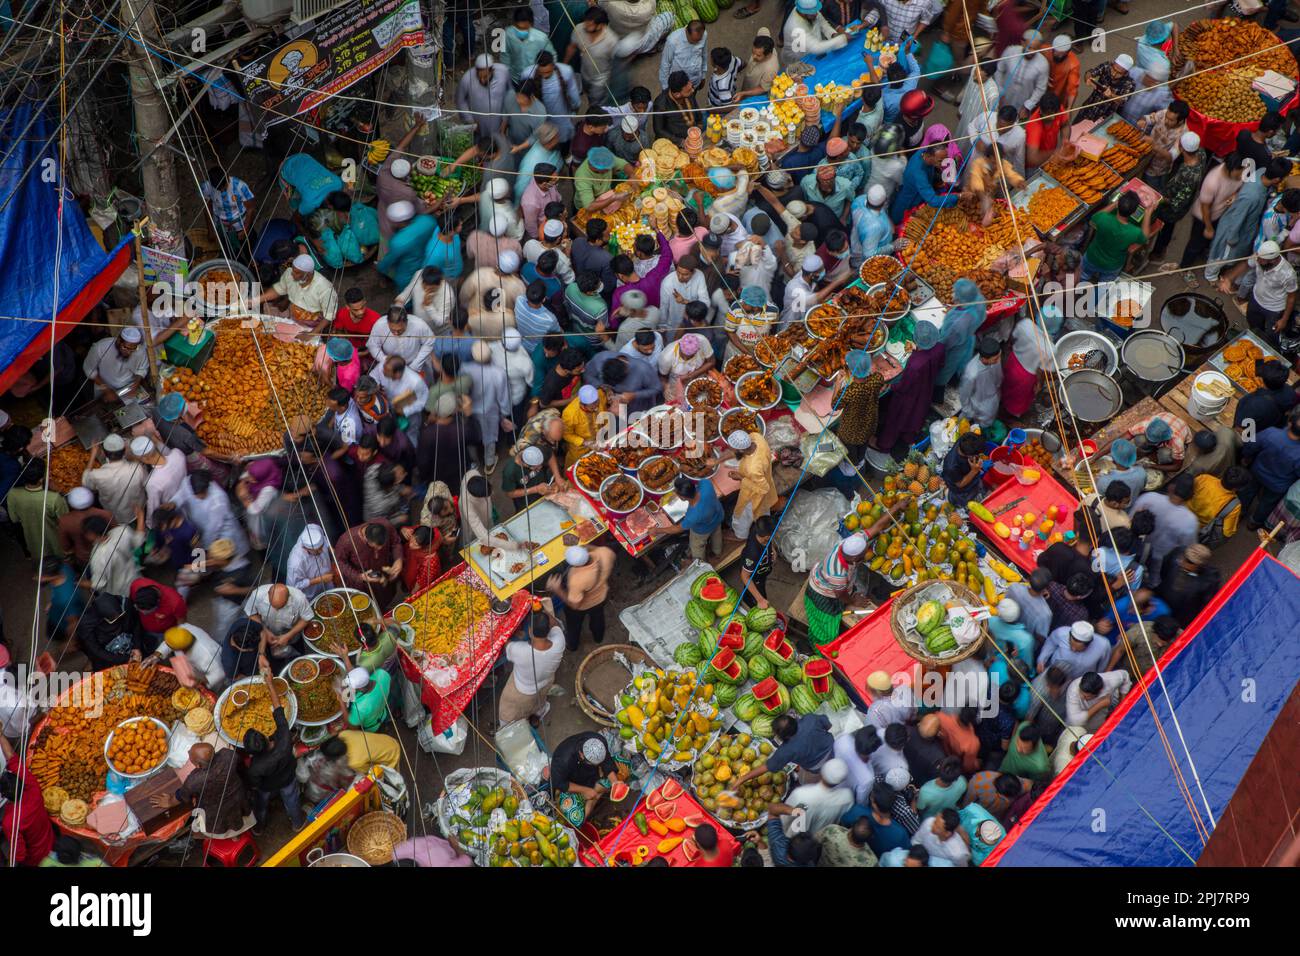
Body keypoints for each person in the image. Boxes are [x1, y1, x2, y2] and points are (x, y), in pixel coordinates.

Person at [241, 661, 305, 832]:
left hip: (267, 786)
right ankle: (297, 823)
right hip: (288, 777)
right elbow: (278, 708)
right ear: (265, 737)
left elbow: (255, 784)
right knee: (292, 799)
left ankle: (259, 827)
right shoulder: (284, 738)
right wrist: (269, 682)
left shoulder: (255, 767)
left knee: (260, 804)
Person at [871, 320, 945, 458]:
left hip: (908, 396)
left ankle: (884, 445)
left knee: (896, 418)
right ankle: (908, 437)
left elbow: (904, 386)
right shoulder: (939, 347)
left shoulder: (915, 364)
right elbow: (940, 364)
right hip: (926, 387)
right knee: (917, 413)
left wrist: (890, 385)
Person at [150, 742, 252, 839]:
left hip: (216, 810)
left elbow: (182, 796)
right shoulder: (228, 754)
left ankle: (232, 835)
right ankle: (236, 835)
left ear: (198, 765)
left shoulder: (194, 780)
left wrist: (170, 801)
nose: (188, 751)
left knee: (221, 822)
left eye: (190, 755)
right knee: (237, 817)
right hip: (238, 796)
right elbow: (241, 767)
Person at [733, 714, 835, 789]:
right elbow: (828, 725)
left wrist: (742, 779)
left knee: (803, 780)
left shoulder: (785, 751)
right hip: (834, 747)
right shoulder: (810, 719)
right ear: (794, 719)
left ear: (783, 737)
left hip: (817, 766)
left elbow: (766, 767)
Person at [500, 612, 566, 725]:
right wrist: (541, 610)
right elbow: (555, 624)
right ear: (548, 629)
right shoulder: (559, 641)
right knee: (539, 701)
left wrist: (513, 633)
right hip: (546, 681)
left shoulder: (520, 650)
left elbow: (505, 645)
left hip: (523, 690)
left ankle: (506, 729)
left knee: (507, 712)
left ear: (530, 631)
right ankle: (538, 715)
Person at [1133, 475, 1199, 586]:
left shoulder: (1148, 498)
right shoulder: (1190, 521)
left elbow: (1130, 520)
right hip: (1161, 555)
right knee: (1154, 576)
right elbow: (1188, 546)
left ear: (1171, 488)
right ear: (1191, 496)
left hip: (1137, 545)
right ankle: (1150, 586)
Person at [0, 734, 55, 865]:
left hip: (38, 857)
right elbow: (13, 759)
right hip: (50, 838)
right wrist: (1, 735)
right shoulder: (32, 787)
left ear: (3, 795)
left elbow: (19, 854)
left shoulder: (10, 821)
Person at [547, 545, 615, 650]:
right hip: (601, 597)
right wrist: (582, 548)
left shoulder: (576, 578)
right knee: (598, 619)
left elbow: (574, 604)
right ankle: (598, 638)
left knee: (574, 626)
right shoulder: (605, 552)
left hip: (582, 607)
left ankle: (573, 646)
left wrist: (557, 589)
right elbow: (594, 549)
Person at [770, 758, 853, 838]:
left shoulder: (801, 794)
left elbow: (785, 818)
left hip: (796, 838)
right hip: (817, 839)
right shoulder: (847, 798)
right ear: (840, 782)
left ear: (822, 773)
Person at [1081, 192, 1152, 284]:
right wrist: (1147, 213)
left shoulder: (1103, 218)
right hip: (1112, 266)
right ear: (1134, 212)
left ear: (1118, 205)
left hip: (1092, 257)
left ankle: (1077, 290)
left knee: (1082, 276)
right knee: (1103, 288)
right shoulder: (1134, 232)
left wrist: (1115, 204)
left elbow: (1096, 216)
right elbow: (1145, 237)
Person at [549, 732, 621, 817]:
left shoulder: (599, 740)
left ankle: (594, 799)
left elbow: (606, 761)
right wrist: (584, 790)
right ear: (582, 755)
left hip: (589, 772)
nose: (598, 765)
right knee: (576, 817)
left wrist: (615, 783)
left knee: (600, 789)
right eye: (594, 763)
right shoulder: (562, 760)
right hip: (570, 779)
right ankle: (584, 819)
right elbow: (558, 782)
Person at [83, 327, 148, 400]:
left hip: (127, 388)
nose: (129, 352)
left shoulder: (140, 350)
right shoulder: (101, 347)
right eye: (125, 347)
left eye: (132, 349)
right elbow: (89, 369)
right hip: (105, 387)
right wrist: (106, 390)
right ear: (118, 341)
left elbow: (142, 368)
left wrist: (136, 384)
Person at [455, 54, 511, 138]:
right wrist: (470, 121)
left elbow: (510, 94)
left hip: (499, 124)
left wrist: (505, 118)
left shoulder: (503, 72)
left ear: (492, 71)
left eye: (485, 77)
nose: (482, 80)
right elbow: (460, 101)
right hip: (478, 126)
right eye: (479, 77)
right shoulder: (467, 78)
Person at [1038, 620, 1111, 681]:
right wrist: (1041, 660)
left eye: (1077, 649)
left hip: (1077, 681)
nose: (1073, 649)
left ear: (1089, 644)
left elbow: (1102, 666)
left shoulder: (1103, 645)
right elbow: (1050, 643)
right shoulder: (1061, 632)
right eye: (1071, 645)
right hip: (1053, 675)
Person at [957, 336, 1003, 429]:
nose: (998, 360)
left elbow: (998, 376)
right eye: (995, 359)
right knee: (978, 426)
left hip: (993, 397)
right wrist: (970, 413)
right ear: (984, 359)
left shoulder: (995, 360)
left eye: (999, 357)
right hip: (979, 406)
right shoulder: (971, 374)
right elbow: (964, 396)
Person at [295, 737, 357, 805]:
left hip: (316, 789)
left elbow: (302, 777)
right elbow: (345, 777)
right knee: (321, 800)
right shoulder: (336, 765)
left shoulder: (312, 756)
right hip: (320, 791)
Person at [1065, 670, 1133, 731]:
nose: (1082, 697)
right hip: (1076, 729)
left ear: (1098, 692)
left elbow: (1125, 676)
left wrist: (1122, 705)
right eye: (1081, 692)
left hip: (1098, 724)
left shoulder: (1111, 680)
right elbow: (1075, 721)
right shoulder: (1073, 690)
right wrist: (1100, 704)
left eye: (1087, 696)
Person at [1078, 54, 1135, 123]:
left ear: (1125, 73)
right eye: (1113, 70)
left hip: (1103, 117)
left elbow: (1123, 100)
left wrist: (1111, 95)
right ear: (1112, 64)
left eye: (1119, 73)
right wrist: (1088, 79)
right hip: (1088, 107)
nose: (1114, 74)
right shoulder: (1106, 66)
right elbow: (1090, 72)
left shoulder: (1129, 83)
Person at [941, 433, 988, 509]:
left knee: (977, 485)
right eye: (977, 454)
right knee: (964, 499)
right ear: (969, 455)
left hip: (968, 473)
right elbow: (960, 484)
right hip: (959, 486)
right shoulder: (952, 467)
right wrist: (974, 471)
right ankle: (951, 497)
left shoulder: (964, 440)